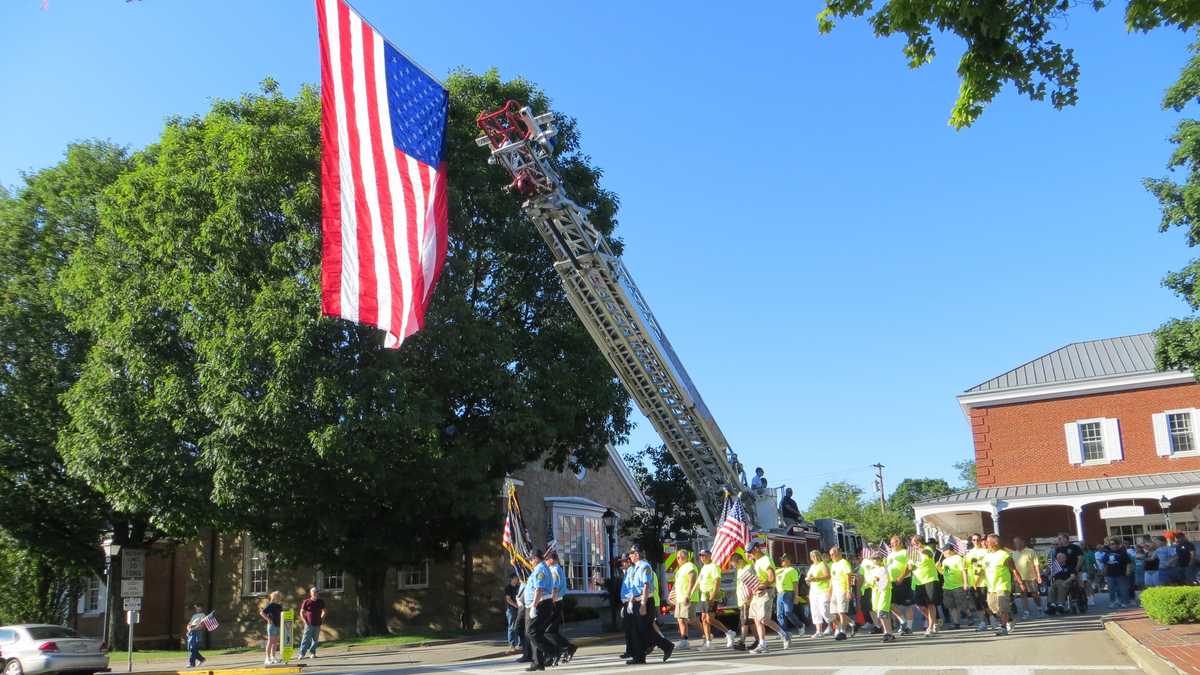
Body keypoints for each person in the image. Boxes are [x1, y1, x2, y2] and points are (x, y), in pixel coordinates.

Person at [627, 546, 673, 664]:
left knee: (645, 629)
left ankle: (667, 646)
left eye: (631, 553)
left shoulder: (645, 566)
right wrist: (631, 602)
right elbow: (634, 588)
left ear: (637, 554)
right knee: (636, 631)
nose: (629, 556)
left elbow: (646, 586)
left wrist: (643, 604)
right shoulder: (635, 568)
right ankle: (639, 657)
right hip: (637, 601)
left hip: (646, 600)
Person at [747, 542, 790, 654]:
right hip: (759, 592)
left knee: (763, 619)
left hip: (767, 591)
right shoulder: (757, 561)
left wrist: (760, 586)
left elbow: (771, 578)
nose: (750, 554)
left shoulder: (766, 560)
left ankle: (784, 634)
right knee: (756, 619)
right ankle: (763, 644)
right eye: (748, 552)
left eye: (750, 551)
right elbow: (760, 578)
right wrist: (754, 587)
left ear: (757, 548)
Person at [982, 534, 1024, 636]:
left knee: (1003, 607)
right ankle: (1009, 620)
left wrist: (1021, 583)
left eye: (988, 541)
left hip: (1003, 585)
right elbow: (983, 571)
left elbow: (1014, 570)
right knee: (993, 607)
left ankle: (1003, 628)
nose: (986, 543)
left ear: (995, 543)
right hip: (991, 587)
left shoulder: (1004, 555)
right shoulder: (986, 556)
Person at [695, 550, 734, 650]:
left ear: (709, 556)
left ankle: (728, 633)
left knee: (709, 619)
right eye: (700, 556)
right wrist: (690, 594)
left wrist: (712, 597)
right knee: (704, 619)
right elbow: (698, 582)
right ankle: (708, 643)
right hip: (704, 596)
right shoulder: (704, 567)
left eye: (704, 555)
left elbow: (717, 582)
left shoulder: (714, 567)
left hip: (711, 595)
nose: (702, 557)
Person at [524, 549, 556, 671]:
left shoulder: (540, 570)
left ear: (536, 559)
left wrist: (533, 607)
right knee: (535, 633)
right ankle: (538, 662)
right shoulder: (539, 569)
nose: (530, 562)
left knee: (531, 632)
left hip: (539, 604)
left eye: (531, 559)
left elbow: (539, 590)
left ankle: (553, 651)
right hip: (538, 604)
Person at [545, 552, 577, 665]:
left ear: (551, 560)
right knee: (552, 631)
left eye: (547, 560)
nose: (545, 562)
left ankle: (568, 647)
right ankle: (556, 654)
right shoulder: (557, 569)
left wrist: (551, 603)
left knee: (548, 631)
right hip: (557, 602)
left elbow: (555, 589)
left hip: (555, 602)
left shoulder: (555, 570)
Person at [909, 536, 940, 637]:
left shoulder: (927, 549)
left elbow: (930, 555)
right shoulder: (913, 553)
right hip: (918, 582)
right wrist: (910, 566)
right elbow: (910, 566)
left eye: (915, 543)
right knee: (919, 605)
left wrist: (921, 549)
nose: (914, 545)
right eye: (912, 544)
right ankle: (934, 621)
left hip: (929, 579)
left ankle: (930, 627)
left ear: (920, 542)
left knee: (930, 603)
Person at [671, 550, 700, 650]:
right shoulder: (680, 569)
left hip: (688, 597)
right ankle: (684, 641)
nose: (678, 559)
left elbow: (692, 580)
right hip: (680, 598)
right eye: (678, 557)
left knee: (691, 619)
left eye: (680, 557)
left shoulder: (690, 566)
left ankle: (707, 634)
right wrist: (673, 594)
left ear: (685, 557)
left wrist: (688, 595)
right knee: (680, 619)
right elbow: (678, 583)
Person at [885, 535, 914, 635]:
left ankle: (909, 628)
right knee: (889, 604)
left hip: (904, 580)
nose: (893, 544)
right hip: (891, 582)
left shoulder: (906, 552)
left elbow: (910, 566)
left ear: (900, 543)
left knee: (908, 605)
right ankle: (903, 621)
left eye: (895, 542)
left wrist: (901, 576)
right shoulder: (890, 555)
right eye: (892, 543)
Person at [867, 549, 895, 642]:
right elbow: (869, 581)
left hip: (884, 591)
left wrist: (876, 580)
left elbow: (883, 581)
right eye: (874, 558)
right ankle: (890, 632)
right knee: (879, 612)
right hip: (875, 592)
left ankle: (887, 633)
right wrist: (873, 581)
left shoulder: (884, 568)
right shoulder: (872, 570)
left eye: (877, 558)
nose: (875, 560)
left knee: (882, 612)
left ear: (881, 559)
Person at [775, 553, 805, 637]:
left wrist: (796, 596)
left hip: (788, 593)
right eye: (781, 560)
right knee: (779, 614)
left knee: (788, 612)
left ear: (788, 561)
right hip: (779, 593)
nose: (781, 561)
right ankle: (783, 632)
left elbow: (795, 584)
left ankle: (800, 625)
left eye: (783, 560)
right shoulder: (778, 571)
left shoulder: (792, 570)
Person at [828, 547, 854, 641]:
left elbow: (850, 576)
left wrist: (849, 590)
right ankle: (852, 622)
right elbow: (832, 578)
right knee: (834, 612)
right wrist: (830, 590)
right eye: (830, 555)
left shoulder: (844, 562)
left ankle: (842, 631)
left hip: (843, 589)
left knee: (841, 611)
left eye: (833, 554)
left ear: (839, 553)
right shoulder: (833, 565)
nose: (831, 556)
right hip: (835, 591)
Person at [1011, 538, 1041, 619]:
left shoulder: (1031, 551)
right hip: (1019, 579)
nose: (1016, 544)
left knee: (1034, 594)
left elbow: (1036, 564)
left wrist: (1038, 576)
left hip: (1031, 578)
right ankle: (1026, 611)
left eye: (1018, 542)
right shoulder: (1013, 554)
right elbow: (1013, 568)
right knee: (1023, 595)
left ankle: (1039, 607)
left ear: (1022, 542)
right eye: (1014, 543)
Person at [1100, 538, 1133, 608]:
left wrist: (1128, 571)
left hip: (1121, 573)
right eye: (1110, 544)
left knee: (1123, 589)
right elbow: (1105, 563)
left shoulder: (1122, 552)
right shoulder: (1107, 553)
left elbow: (1128, 562)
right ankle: (1112, 602)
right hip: (1110, 574)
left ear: (1117, 544)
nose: (1111, 546)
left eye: (1113, 544)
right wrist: (1103, 572)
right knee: (1111, 589)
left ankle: (1124, 602)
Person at [805, 549, 831, 638]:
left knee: (824, 610)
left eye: (816, 555)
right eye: (813, 556)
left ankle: (836, 623)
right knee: (815, 611)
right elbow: (809, 577)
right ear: (811, 558)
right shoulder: (812, 566)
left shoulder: (823, 564)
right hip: (813, 591)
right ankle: (819, 631)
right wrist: (808, 580)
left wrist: (816, 579)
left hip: (823, 590)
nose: (815, 557)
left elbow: (828, 576)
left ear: (819, 556)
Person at [298, 587, 326, 659]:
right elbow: (301, 612)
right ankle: (301, 654)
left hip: (317, 624)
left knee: (315, 640)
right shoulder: (306, 601)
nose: (315, 593)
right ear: (311, 593)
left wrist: (321, 619)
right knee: (306, 639)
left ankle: (312, 653)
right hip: (309, 624)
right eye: (313, 592)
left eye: (316, 592)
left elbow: (324, 611)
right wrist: (305, 621)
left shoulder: (320, 601)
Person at [857, 548, 879, 634]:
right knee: (869, 608)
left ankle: (883, 624)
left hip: (875, 587)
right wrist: (858, 588)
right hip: (865, 587)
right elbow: (860, 575)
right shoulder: (864, 562)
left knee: (876, 607)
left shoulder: (877, 560)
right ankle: (877, 625)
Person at [259, 591, 283, 665]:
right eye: (278, 596)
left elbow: (281, 615)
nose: (279, 598)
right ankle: (267, 658)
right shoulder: (271, 605)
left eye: (279, 596)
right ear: (274, 597)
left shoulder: (279, 606)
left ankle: (273, 657)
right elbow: (262, 613)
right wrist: (268, 619)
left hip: (278, 625)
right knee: (270, 641)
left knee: (275, 642)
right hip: (272, 625)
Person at [185, 604, 208, 668]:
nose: (197, 609)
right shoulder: (194, 615)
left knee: (193, 648)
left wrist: (193, 629)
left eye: (198, 607)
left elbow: (201, 626)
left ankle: (192, 663)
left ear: (201, 608)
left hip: (197, 632)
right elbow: (189, 624)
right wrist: (189, 629)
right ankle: (201, 659)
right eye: (196, 608)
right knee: (190, 648)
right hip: (191, 632)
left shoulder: (203, 615)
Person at [504, 575, 521, 653]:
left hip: (519, 609)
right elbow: (508, 599)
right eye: (515, 579)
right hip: (511, 609)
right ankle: (512, 644)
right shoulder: (508, 588)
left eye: (517, 579)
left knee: (519, 626)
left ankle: (520, 644)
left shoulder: (518, 587)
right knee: (511, 627)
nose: (517, 580)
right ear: (512, 579)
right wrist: (516, 606)